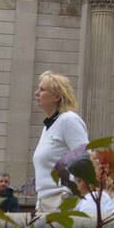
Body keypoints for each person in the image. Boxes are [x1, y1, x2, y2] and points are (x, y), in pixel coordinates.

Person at [31, 70, 89, 214]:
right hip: (45, 201)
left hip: (63, 199)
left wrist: (70, 195)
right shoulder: (48, 126)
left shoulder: (69, 120)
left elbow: (85, 159)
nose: (36, 93)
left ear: (56, 96)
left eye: (42, 89)